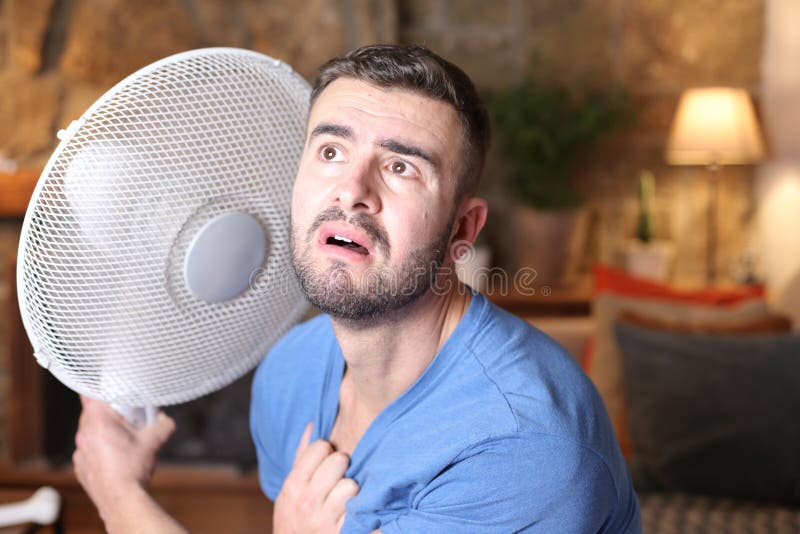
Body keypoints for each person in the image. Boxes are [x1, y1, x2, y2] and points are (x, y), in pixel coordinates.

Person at [74, 44, 642, 533]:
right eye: (330, 152)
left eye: (401, 168)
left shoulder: (523, 446)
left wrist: (117, 493)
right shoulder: (289, 374)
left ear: (462, 230)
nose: (351, 190)